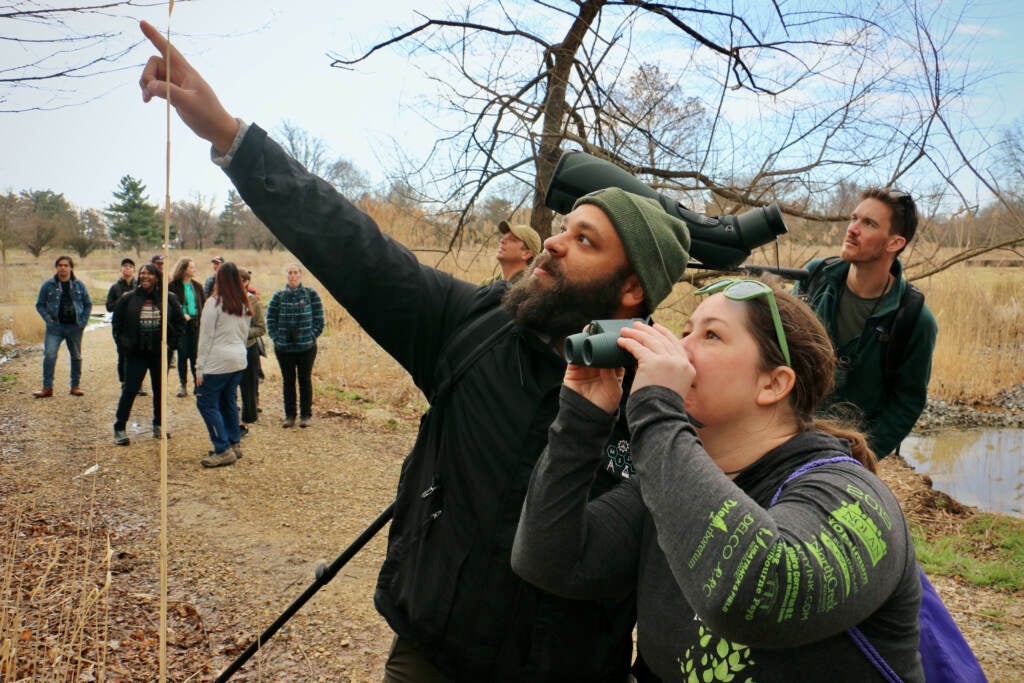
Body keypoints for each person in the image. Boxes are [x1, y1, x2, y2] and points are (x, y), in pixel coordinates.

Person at [138, 20, 691, 680]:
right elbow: (357, 250)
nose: (553, 242)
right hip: (430, 654)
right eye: (564, 227)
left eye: (586, 241)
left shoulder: (662, 402)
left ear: (632, 288)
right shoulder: (477, 326)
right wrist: (232, 138)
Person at [512, 279, 924, 681]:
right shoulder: (666, 485)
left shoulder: (849, 494)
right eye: (685, 330)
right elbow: (549, 559)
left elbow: (752, 595)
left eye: (710, 335)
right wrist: (582, 418)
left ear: (773, 383)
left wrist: (657, 411)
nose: (678, 347)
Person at [794, 189, 938, 458]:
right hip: (790, 435)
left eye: (868, 223)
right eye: (854, 218)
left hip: (848, 453)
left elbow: (907, 402)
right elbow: (780, 349)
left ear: (894, 243)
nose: (852, 229)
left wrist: (862, 455)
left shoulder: (914, 319)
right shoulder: (814, 278)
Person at [111, 264, 185, 445]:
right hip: (136, 353)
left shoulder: (168, 299)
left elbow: (180, 323)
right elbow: (117, 325)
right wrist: (124, 345)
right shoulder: (128, 299)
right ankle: (119, 427)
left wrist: (171, 345)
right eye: (142, 273)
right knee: (130, 390)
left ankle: (159, 424)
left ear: (157, 277)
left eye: (149, 274)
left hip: (159, 353)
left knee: (160, 389)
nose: (144, 277)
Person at [194, 261, 252, 468]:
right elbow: (244, 335)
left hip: (217, 362)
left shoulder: (215, 303)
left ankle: (222, 447)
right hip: (238, 360)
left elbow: (205, 337)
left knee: (206, 403)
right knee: (228, 400)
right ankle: (233, 442)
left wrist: (199, 367)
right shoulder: (244, 303)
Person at [265, 264, 324, 428]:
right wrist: (276, 338)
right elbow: (270, 319)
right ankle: (290, 415)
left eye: (295, 272)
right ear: (285, 276)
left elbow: (319, 319)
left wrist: (312, 336)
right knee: (288, 381)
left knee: (305, 380)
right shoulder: (279, 296)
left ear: (300, 275)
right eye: (289, 273)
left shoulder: (310, 294)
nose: (292, 276)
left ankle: (306, 415)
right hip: (284, 348)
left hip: (306, 347)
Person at [33, 255, 92, 398]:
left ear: (71, 268)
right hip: (55, 328)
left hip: (74, 327)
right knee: (49, 355)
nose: (63, 268)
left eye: (66, 265)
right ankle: (47, 388)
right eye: (60, 265)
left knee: (76, 356)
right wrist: (48, 319)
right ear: (56, 267)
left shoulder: (79, 285)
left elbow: (88, 304)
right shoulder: (48, 285)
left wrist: (83, 322)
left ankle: (75, 386)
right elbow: (39, 304)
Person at [168, 257, 206, 397]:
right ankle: (182, 385)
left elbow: (203, 304)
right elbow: (170, 305)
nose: (194, 270)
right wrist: (181, 314)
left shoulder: (197, 286)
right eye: (191, 267)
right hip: (181, 326)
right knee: (182, 355)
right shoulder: (172, 286)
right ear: (184, 270)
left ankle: (198, 385)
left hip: (196, 324)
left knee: (195, 355)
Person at [239, 268, 266, 435]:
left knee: (249, 386)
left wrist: (242, 333)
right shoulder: (224, 300)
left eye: (239, 280)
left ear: (246, 282)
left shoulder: (253, 300)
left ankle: (247, 419)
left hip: (249, 348)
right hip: (230, 349)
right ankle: (234, 421)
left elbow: (261, 328)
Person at [106, 257, 137, 390]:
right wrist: (122, 299)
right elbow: (109, 306)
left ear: (134, 270)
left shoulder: (139, 286)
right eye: (125, 266)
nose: (127, 269)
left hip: (136, 325)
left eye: (130, 266)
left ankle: (137, 383)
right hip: (121, 326)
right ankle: (124, 381)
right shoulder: (115, 288)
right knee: (123, 354)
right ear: (121, 269)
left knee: (137, 354)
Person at [483, 220, 542, 285]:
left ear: (526, 254)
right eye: (504, 236)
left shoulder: (528, 290)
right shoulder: (487, 284)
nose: (502, 240)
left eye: (512, 239)